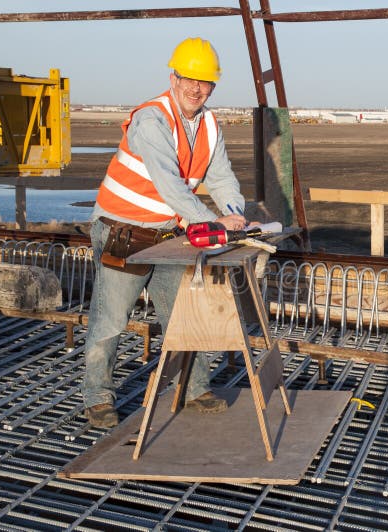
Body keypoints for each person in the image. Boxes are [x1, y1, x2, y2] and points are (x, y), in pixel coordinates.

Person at [82, 37, 250, 428]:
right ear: (173, 77)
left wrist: (235, 215)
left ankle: (192, 389)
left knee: (183, 317)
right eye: (189, 79)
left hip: (167, 235)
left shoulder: (209, 124)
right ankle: (97, 398)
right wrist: (208, 222)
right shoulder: (151, 119)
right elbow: (169, 185)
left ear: (213, 86)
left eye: (204, 82)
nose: (196, 88)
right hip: (122, 231)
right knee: (111, 319)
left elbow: (222, 177)